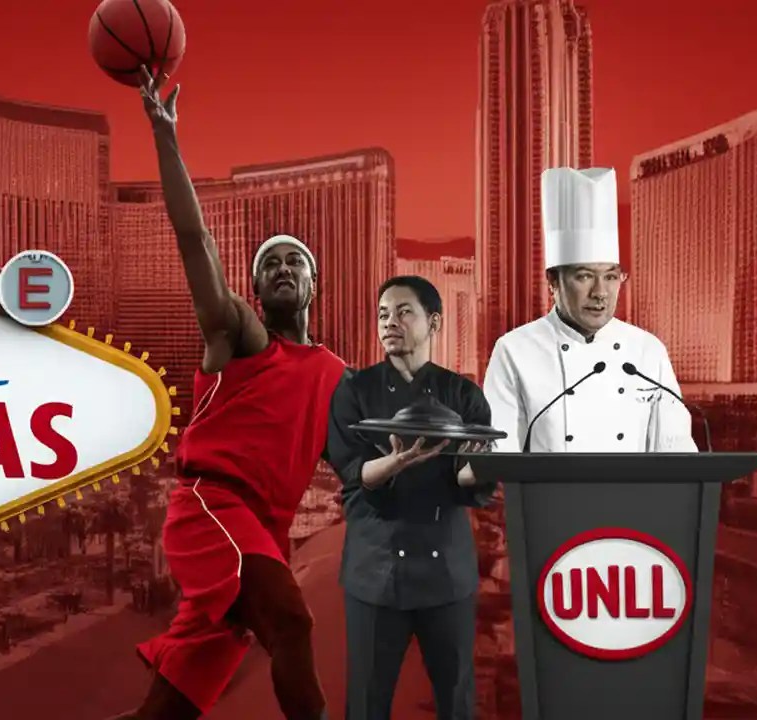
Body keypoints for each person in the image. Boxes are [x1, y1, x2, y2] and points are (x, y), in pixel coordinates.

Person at [114, 68, 346, 720]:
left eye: (292, 261)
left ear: (313, 283)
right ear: (254, 288)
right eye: (267, 262)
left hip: (261, 533)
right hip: (213, 510)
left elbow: (358, 449)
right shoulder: (241, 337)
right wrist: (166, 138)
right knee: (293, 627)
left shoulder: (332, 371)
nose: (279, 268)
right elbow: (196, 242)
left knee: (165, 713)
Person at [326, 275, 494, 720]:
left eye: (403, 312)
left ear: (433, 321)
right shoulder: (354, 390)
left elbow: (470, 481)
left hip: (447, 573)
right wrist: (397, 463)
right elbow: (352, 472)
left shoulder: (463, 394)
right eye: (383, 314)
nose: (389, 322)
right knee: (366, 703)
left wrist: (479, 466)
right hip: (374, 569)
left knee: (456, 701)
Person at [483, 167, 697, 453]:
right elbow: (500, 452)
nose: (600, 293)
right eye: (584, 276)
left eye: (611, 277)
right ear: (553, 281)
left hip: (633, 498)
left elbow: (678, 451)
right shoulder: (515, 350)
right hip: (549, 498)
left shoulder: (647, 350)